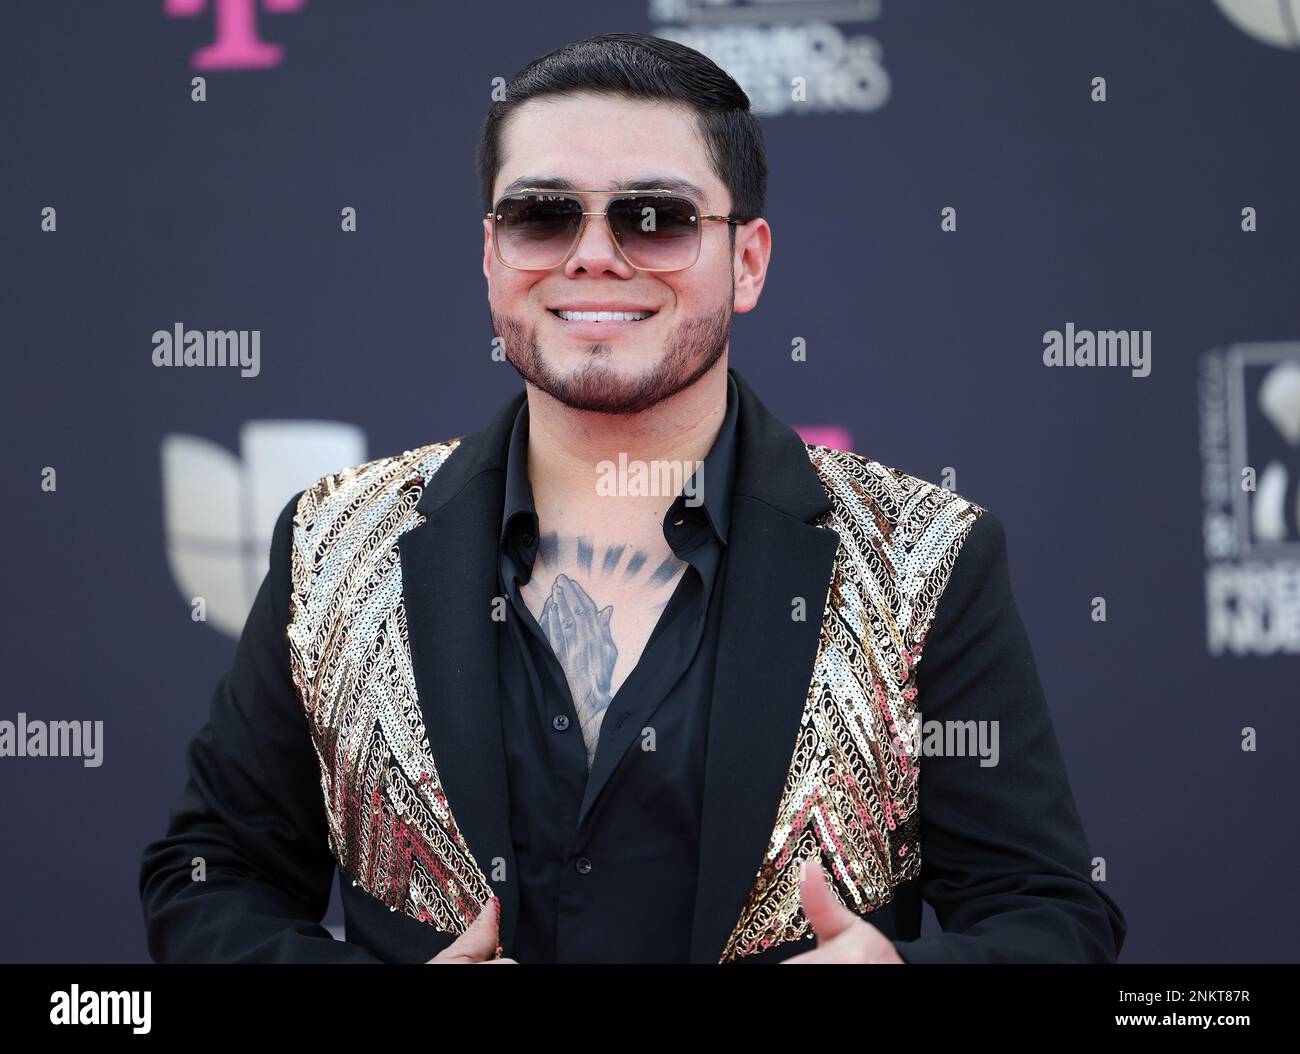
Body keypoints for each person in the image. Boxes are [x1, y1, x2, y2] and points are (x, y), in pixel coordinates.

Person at [139, 31, 1125, 964]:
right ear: (491, 257)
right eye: (542, 214)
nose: (594, 254)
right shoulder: (335, 540)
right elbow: (210, 877)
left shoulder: (922, 556)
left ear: (746, 260)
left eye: (655, 217)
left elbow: (1047, 912)